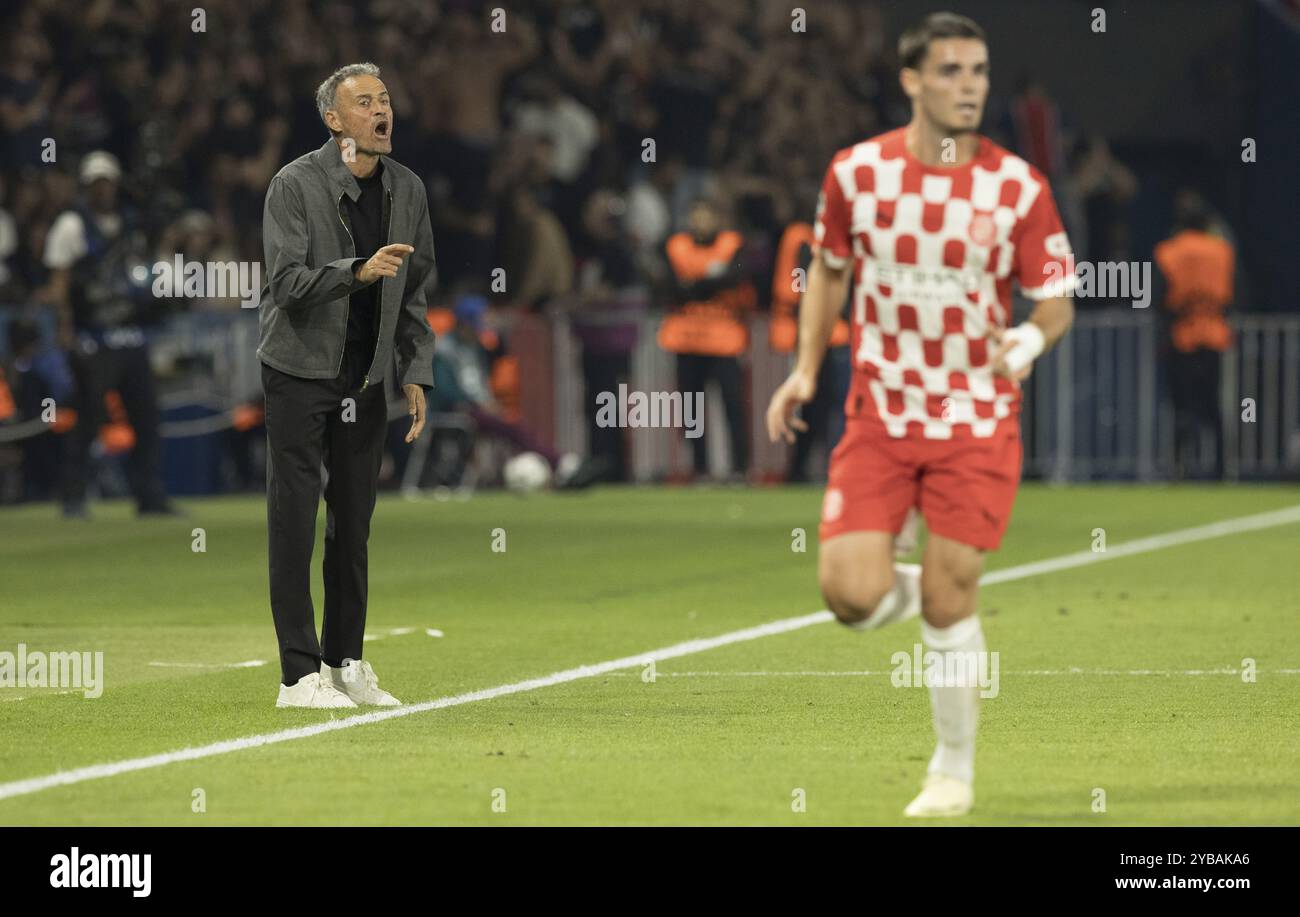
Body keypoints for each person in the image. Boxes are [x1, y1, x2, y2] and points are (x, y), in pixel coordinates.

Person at [765, 13, 1075, 817]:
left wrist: (1028, 343)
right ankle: (933, 584)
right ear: (911, 80)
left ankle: (953, 769)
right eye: (951, 71)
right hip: (881, 412)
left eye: (978, 70)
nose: (970, 86)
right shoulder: (856, 175)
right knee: (848, 595)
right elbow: (828, 271)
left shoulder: (1016, 185)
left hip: (976, 413)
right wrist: (804, 370)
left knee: (949, 600)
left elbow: (1056, 296)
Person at [258, 63, 437, 709]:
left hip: (366, 376)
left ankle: (345, 661)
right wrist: (356, 272)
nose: (380, 111)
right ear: (334, 120)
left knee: (353, 523)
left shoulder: (407, 189)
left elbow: (416, 289)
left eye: (384, 99)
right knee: (294, 518)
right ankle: (297, 675)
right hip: (300, 370)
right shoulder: (294, 184)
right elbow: (285, 284)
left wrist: (416, 369)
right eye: (364, 102)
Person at [42, 151, 177, 519]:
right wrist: (65, 329)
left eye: (108, 183)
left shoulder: (131, 225)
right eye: (96, 184)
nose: (103, 190)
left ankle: (148, 496)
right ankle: (72, 496)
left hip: (130, 335)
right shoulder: (72, 225)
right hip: (93, 337)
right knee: (88, 419)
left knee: (146, 418)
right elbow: (60, 283)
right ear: (87, 188)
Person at [658, 198, 754, 480]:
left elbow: (734, 278)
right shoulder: (675, 245)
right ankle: (700, 468)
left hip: (724, 341)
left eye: (705, 216)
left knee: (732, 405)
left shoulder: (732, 244)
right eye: (695, 216)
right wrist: (710, 281)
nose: (700, 222)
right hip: (686, 341)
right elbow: (669, 286)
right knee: (692, 409)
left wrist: (694, 285)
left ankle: (739, 469)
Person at [1154, 190, 1233, 480]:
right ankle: (1222, 468)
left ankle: (1179, 467)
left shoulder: (1169, 251)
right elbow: (1235, 294)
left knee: (1181, 406)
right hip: (1214, 334)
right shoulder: (1222, 250)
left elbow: (1160, 298)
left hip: (1181, 335)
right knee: (1213, 404)